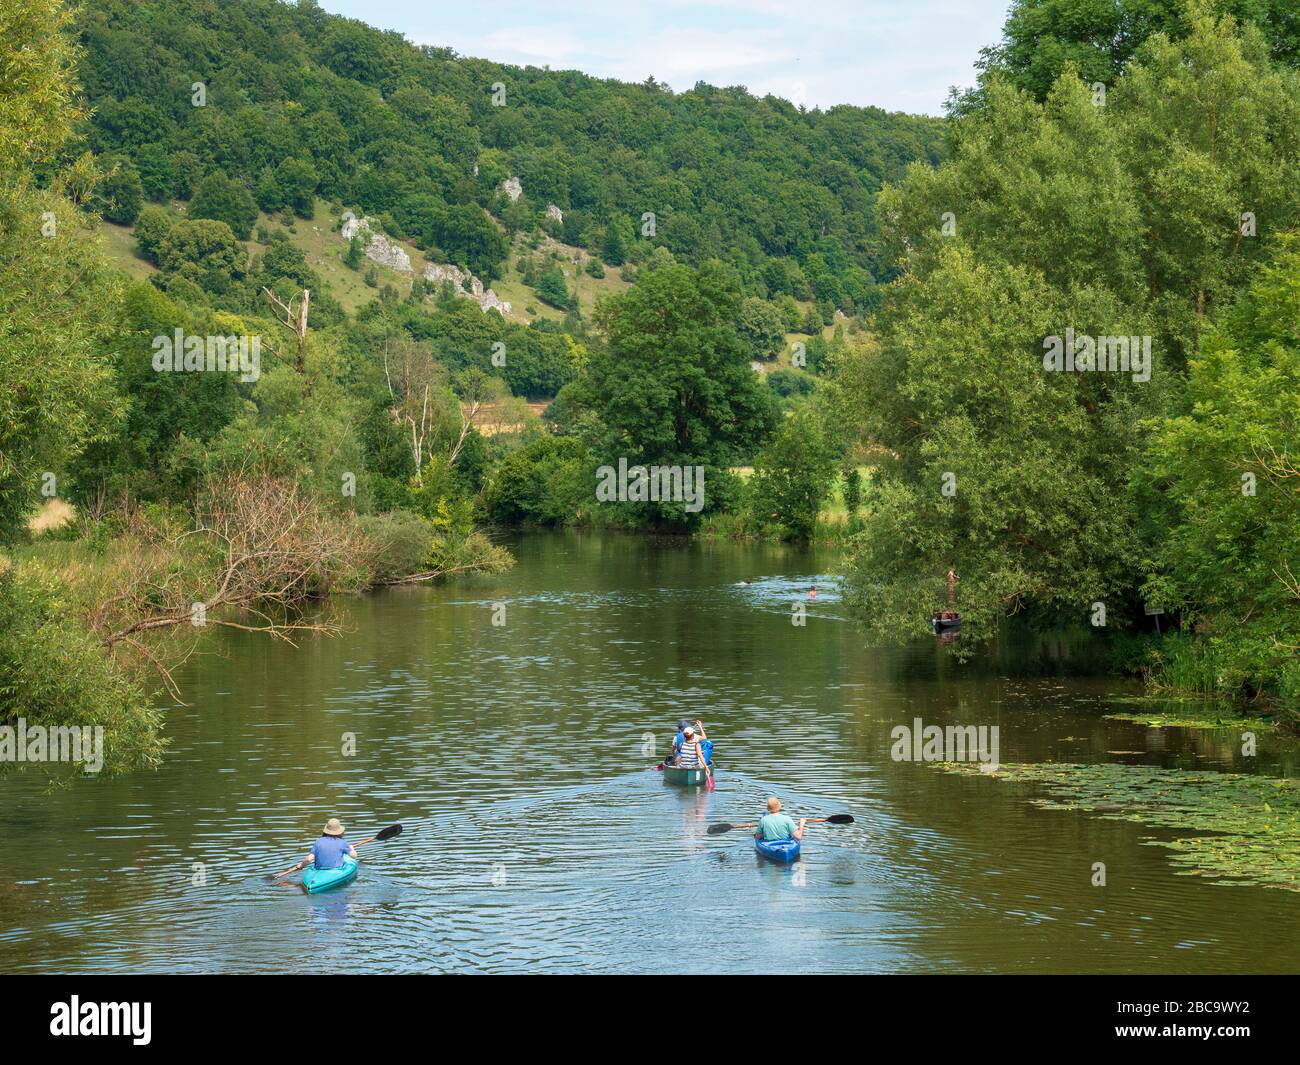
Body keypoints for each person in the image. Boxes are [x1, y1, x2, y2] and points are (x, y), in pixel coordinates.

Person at [281, 818, 356, 878]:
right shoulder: (342, 842)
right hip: (336, 871)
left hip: (319, 870)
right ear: (339, 831)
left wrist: (301, 865)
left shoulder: (318, 841)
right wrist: (351, 848)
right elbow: (354, 856)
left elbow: (309, 859)